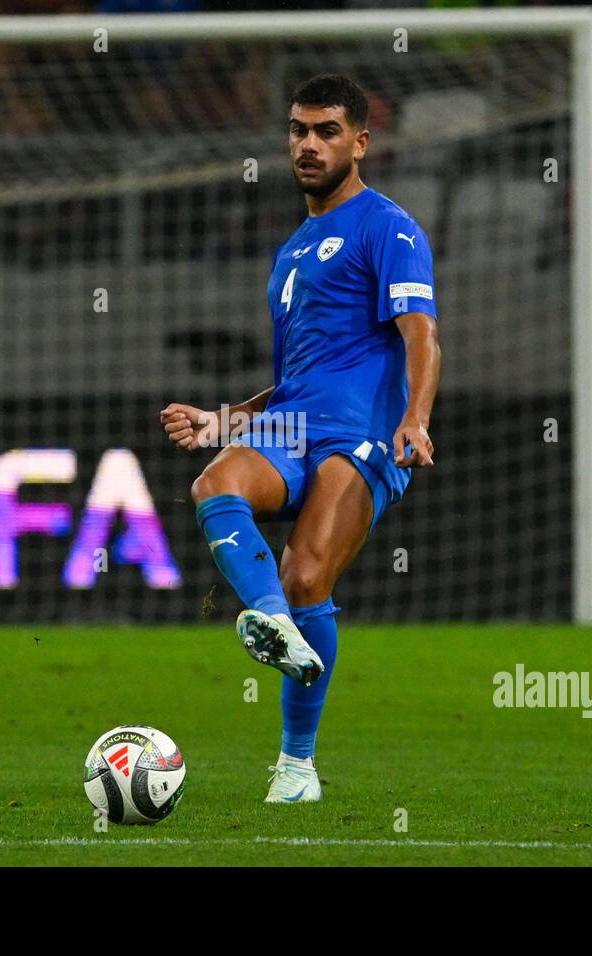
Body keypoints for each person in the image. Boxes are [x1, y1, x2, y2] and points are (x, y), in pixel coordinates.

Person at [159, 74, 441, 803]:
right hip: (291, 425)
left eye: (325, 131)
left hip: (363, 435)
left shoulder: (390, 227)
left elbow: (423, 336)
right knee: (213, 482)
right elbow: (292, 384)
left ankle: (296, 766)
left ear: (360, 142)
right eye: (297, 131)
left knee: (308, 577)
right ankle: (277, 627)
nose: (308, 144)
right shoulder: (290, 253)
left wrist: (415, 418)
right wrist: (221, 421)